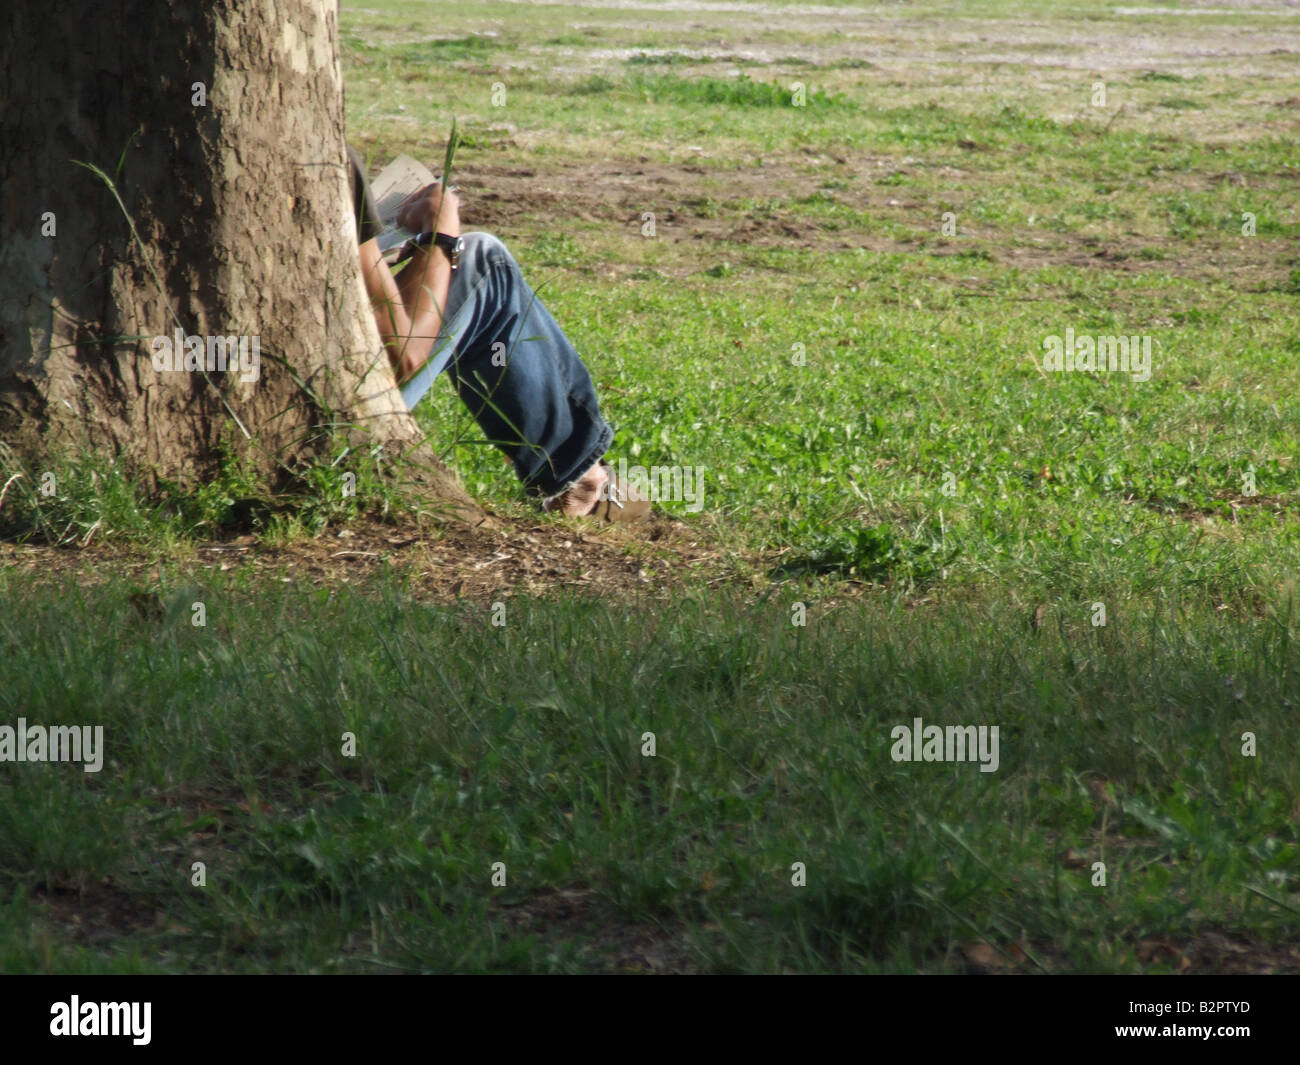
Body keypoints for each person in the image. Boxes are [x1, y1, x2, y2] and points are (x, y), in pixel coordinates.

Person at [347, 146, 649, 522]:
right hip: (337, 404)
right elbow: (404, 354)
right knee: (482, 263)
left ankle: (577, 468)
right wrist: (440, 234)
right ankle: (576, 474)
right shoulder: (332, 160)